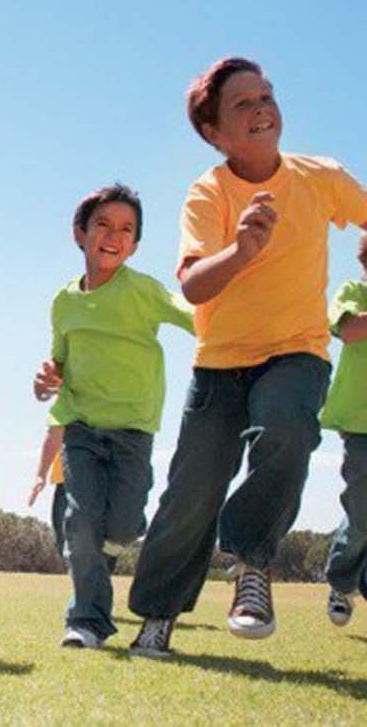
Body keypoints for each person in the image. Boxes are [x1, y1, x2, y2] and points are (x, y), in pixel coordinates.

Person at [128, 57, 367, 657]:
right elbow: (194, 286)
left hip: (297, 351)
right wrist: (241, 249)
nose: (262, 107)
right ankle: (158, 617)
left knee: (288, 430)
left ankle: (252, 563)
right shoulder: (209, 193)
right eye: (243, 104)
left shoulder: (322, 178)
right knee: (190, 496)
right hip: (220, 363)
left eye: (267, 95)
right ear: (214, 133)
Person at [33, 184, 194, 648]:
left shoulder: (143, 290)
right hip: (82, 428)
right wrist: (46, 380)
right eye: (103, 224)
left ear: (136, 244)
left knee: (121, 528)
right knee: (81, 523)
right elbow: (58, 362)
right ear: (80, 233)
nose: (113, 235)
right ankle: (87, 622)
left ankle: (116, 542)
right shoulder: (64, 302)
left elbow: (196, 318)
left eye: (126, 229)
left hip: (134, 431)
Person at [324, 235, 367, 626]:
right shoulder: (353, 291)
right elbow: (350, 330)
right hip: (361, 424)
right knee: (362, 512)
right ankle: (341, 581)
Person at [26, 427, 67, 560]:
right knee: (64, 542)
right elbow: (54, 433)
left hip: (102, 481)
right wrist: (41, 475)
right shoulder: (66, 408)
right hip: (65, 482)